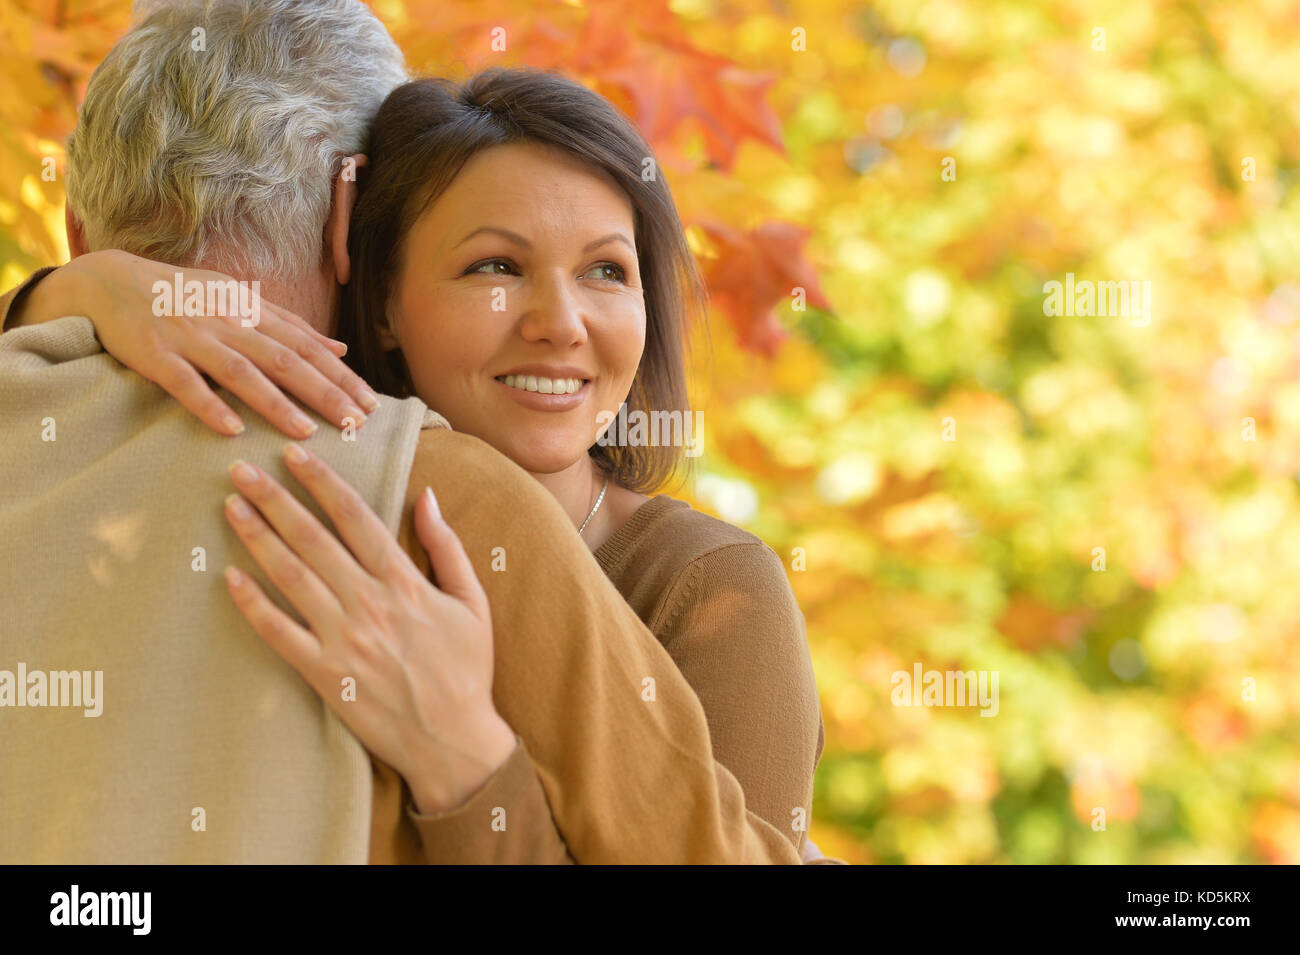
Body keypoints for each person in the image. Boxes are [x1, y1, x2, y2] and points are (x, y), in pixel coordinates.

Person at [0, 0, 836, 863]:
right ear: (358, 234)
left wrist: (466, 762)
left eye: (607, 271)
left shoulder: (700, 584)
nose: (560, 321)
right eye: (495, 266)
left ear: (76, 237)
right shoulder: (433, 494)